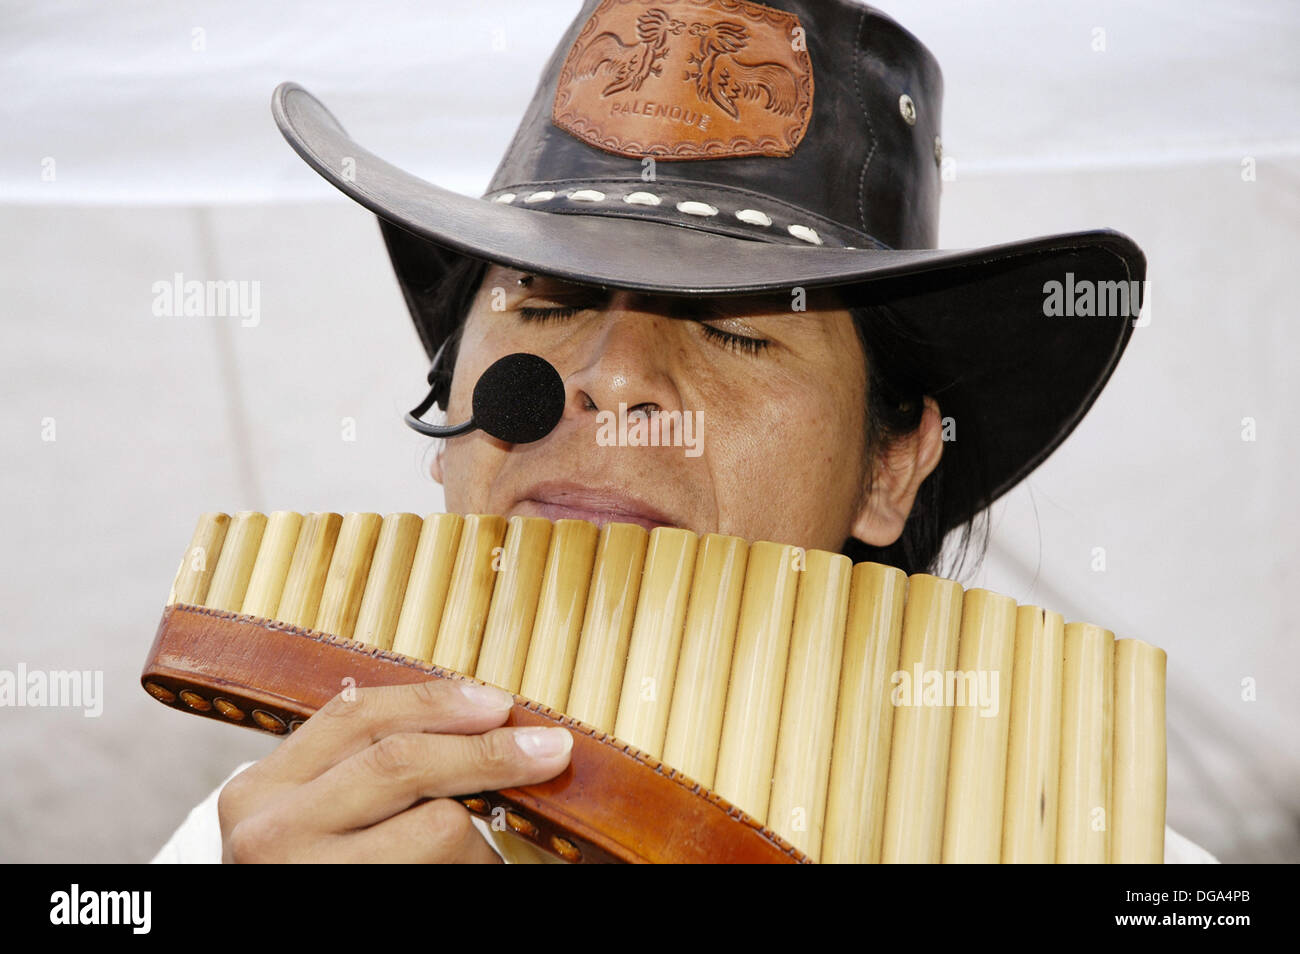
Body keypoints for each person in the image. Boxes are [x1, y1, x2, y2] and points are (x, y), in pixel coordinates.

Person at [155, 0, 1216, 863]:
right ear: (453, 417)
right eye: (549, 302)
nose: (611, 379)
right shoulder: (262, 841)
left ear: (888, 469)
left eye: (734, 334)